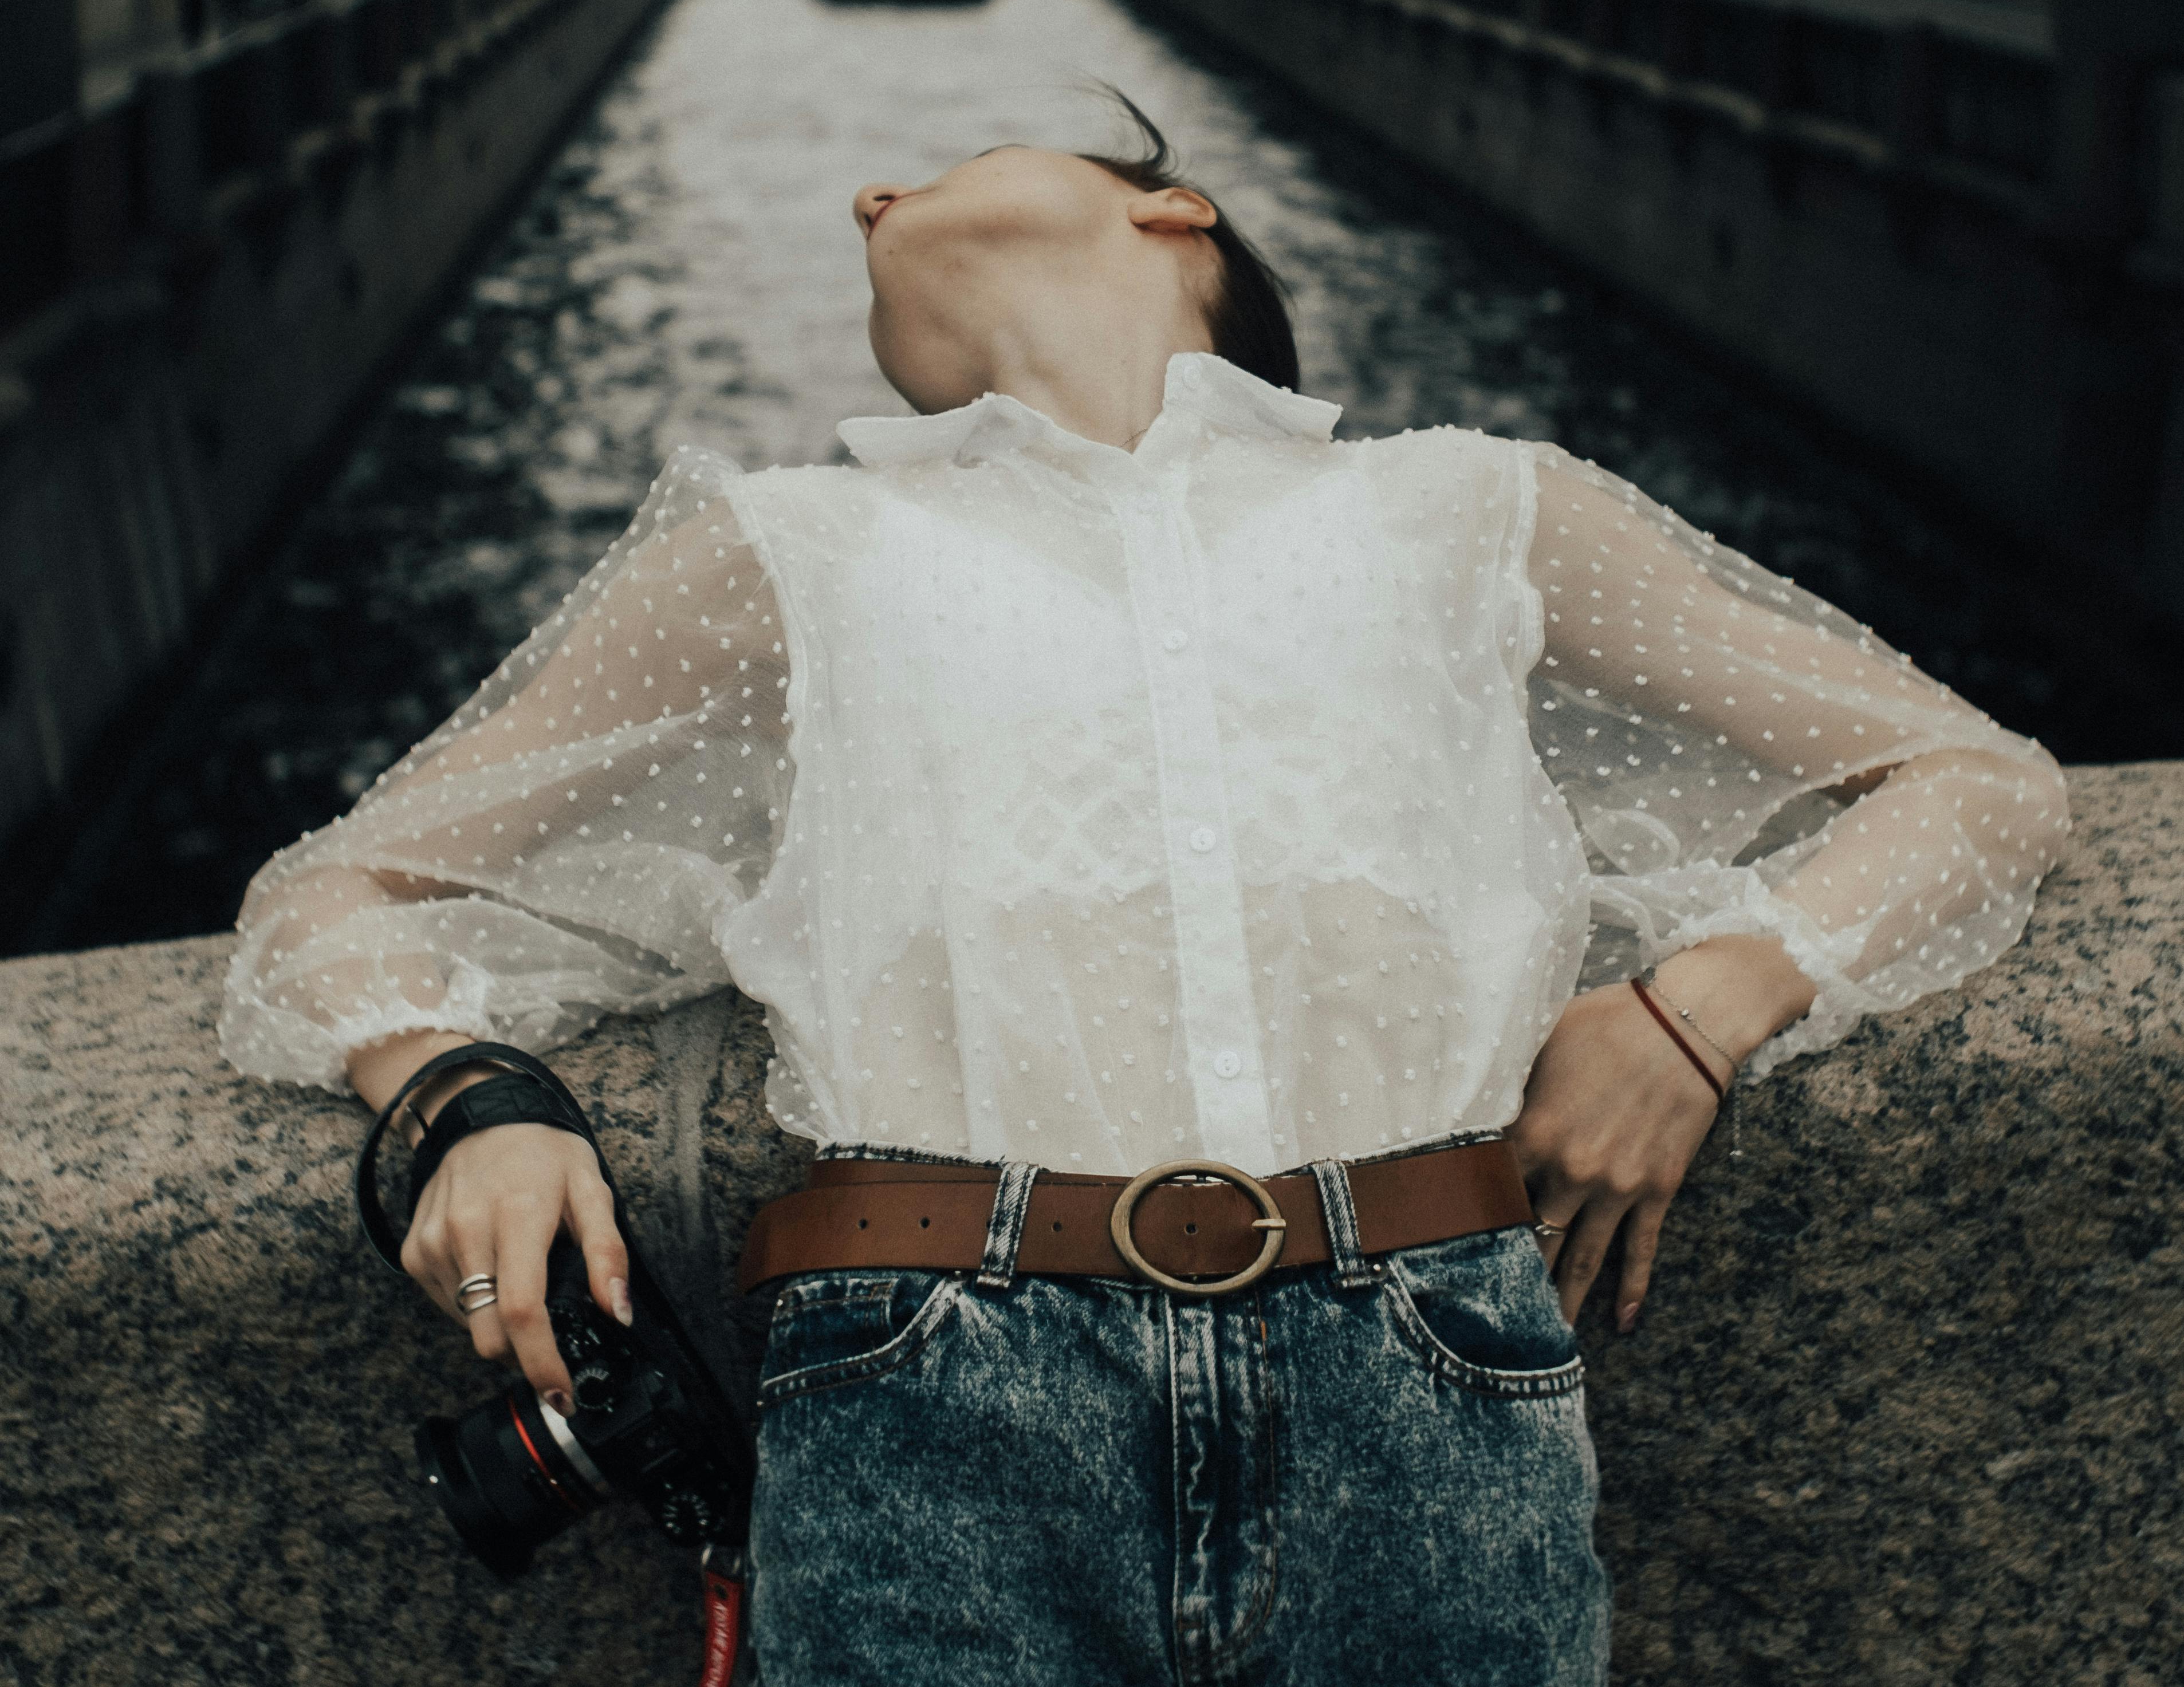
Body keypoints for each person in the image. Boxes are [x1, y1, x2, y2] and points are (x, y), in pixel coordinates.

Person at [221, 100, 2069, 1685]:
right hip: (934, 1398)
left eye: (946, 161)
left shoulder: (1465, 508)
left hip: (1431, 1374)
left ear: (1174, 212)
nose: (871, 198)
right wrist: (469, 1097)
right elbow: (343, 890)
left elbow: (1973, 780)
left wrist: (1706, 1001)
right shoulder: (790, 553)